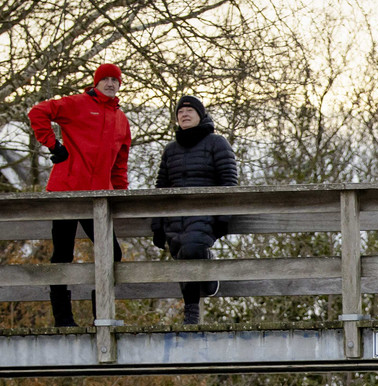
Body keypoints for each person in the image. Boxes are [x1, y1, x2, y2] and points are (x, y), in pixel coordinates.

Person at [28, 64, 132, 327]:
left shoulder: (121, 120)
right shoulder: (77, 104)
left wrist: (121, 197)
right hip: (66, 192)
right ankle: (63, 319)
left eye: (115, 80)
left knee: (112, 253)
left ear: (120, 84)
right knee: (63, 254)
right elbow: (38, 112)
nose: (110, 83)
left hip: (99, 198)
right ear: (96, 82)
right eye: (105, 79)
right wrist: (54, 145)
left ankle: (102, 315)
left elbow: (120, 165)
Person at [150, 95, 239, 325]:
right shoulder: (170, 150)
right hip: (174, 217)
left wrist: (224, 218)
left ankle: (193, 311)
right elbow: (161, 188)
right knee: (182, 256)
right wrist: (157, 225)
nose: (184, 115)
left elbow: (229, 182)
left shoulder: (217, 143)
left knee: (193, 247)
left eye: (189, 111)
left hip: (205, 213)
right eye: (180, 112)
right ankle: (195, 301)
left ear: (200, 115)